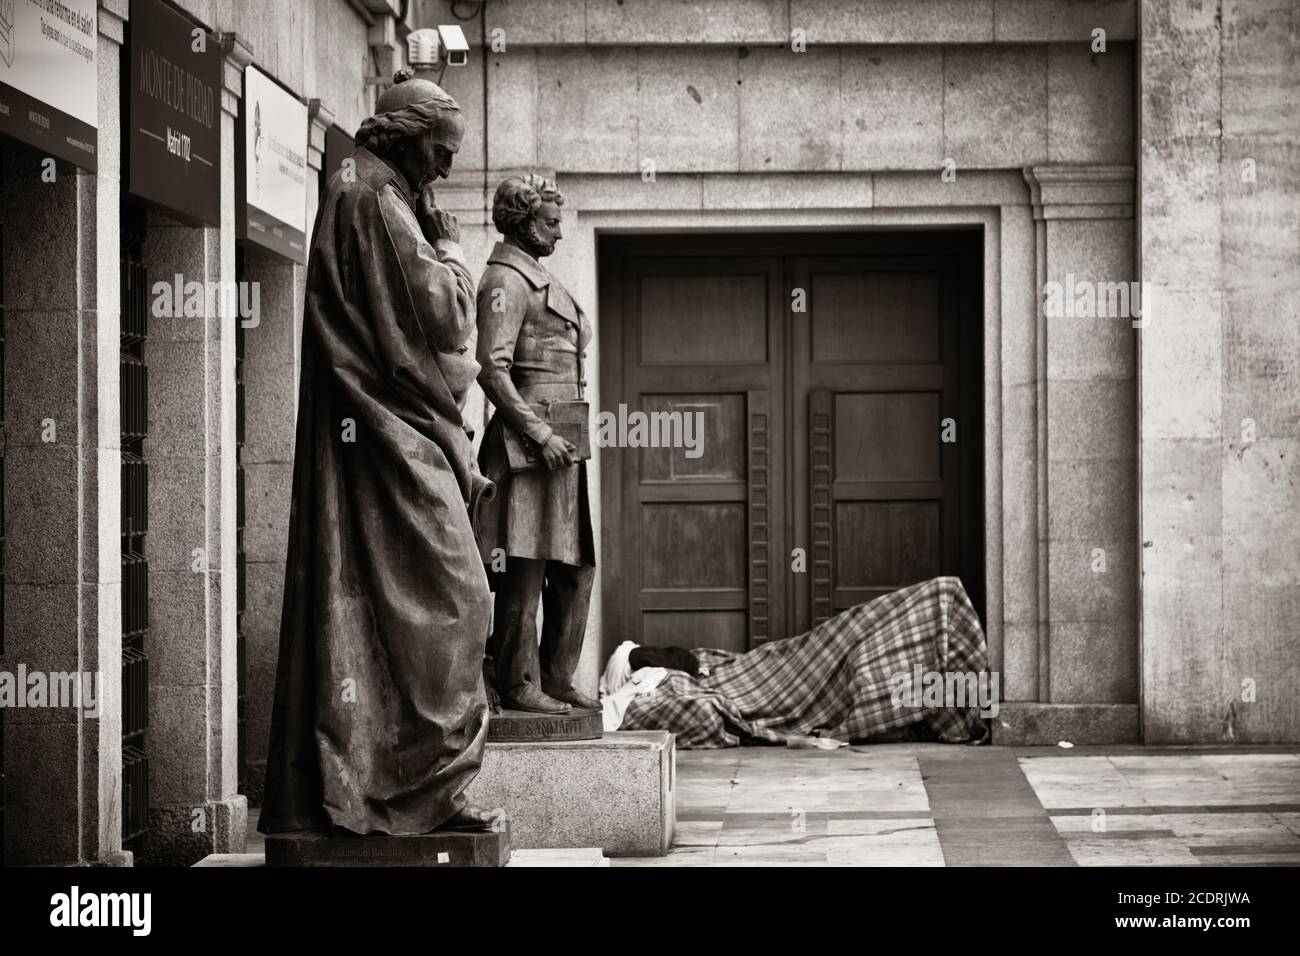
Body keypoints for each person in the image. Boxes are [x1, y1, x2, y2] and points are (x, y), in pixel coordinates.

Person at [259, 70, 499, 836]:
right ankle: (413, 789)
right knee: (461, 603)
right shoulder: (375, 200)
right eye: (442, 149)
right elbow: (449, 314)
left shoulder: (367, 192)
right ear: (406, 138)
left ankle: (407, 789)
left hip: (391, 430)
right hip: (388, 435)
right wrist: (456, 251)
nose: (448, 168)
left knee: (411, 603)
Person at [599, 577, 994, 748]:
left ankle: (941, 630)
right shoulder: (656, 679)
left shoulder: (676, 668)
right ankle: (943, 637)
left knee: (857, 635)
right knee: (865, 653)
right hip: (781, 678)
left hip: (793, 658)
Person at [475, 174, 599, 714]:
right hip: (529, 447)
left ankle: (556, 674)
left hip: (564, 442)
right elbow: (489, 368)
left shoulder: (538, 276)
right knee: (523, 568)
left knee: (574, 567)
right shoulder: (505, 280)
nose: (559, 233)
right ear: (524, 221)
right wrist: (539, 431)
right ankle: (516, 680)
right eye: (551, 222)